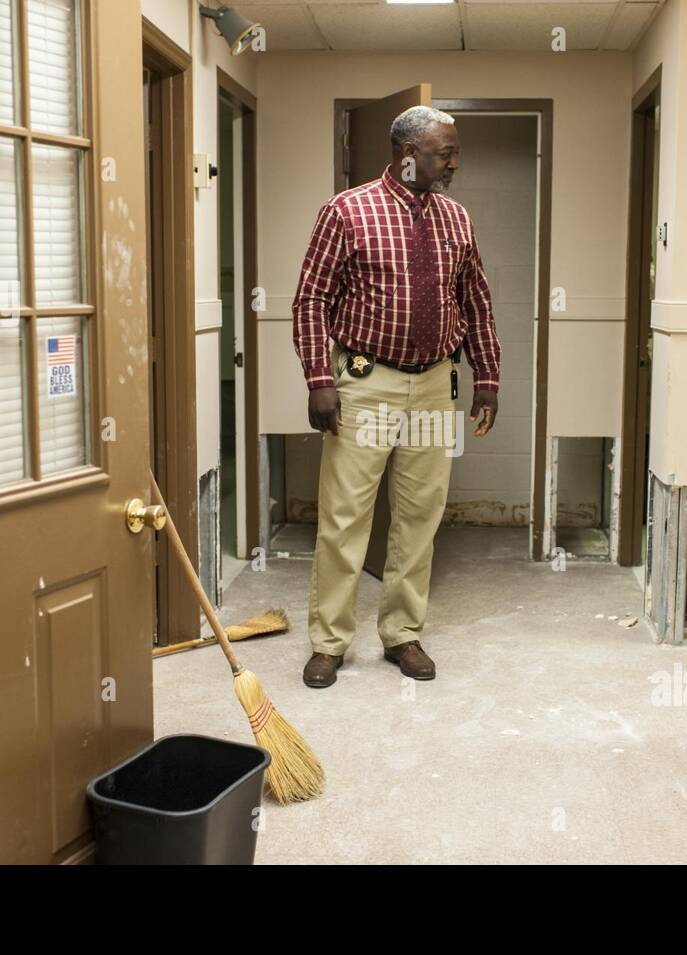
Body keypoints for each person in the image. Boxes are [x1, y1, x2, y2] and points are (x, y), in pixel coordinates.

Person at [290, 105, 502, 688]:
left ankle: (403, 635)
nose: (454, 163)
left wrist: (487, 377)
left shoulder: (457, 219)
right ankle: (329, 642)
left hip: (436, 385)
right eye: (444, 153)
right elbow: (311, 300)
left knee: (420, 515)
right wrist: (319, 380)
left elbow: (476, 303)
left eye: (454, 151)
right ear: (408, 156)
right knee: (344, 516)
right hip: (365, 384)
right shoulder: (347, 211)